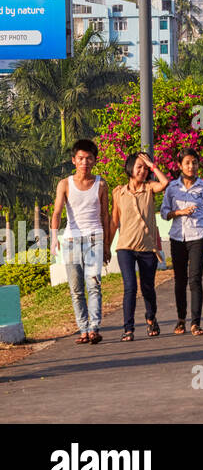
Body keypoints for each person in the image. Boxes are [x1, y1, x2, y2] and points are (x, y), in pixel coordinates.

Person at [49, 139, 111, 344]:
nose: (85, 162)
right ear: (74, 160)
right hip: (71, 241)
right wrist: (54, 238)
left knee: (94, 284)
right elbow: (57, 211)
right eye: (81, 158)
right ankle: (82, 329)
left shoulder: (101, 184)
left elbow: (105, 216)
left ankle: (94, 328)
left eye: (89, 158)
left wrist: (107, 245)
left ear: (94, 160)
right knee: (76, 289)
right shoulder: (64, 184)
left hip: (95, 237)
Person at [160, 148, 203, 336]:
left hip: (198, 236)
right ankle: (181, 319)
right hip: (177, 237)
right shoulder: (172, 188)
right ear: (180, 165)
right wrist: (179, 212)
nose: (191, 166)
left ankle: (196, 322)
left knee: (195, 279)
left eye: (194, 162)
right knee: (180, 280)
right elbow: (165, 212)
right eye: (187, 163)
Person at [107, 151, 169, 341]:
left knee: (148, 287)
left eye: (144, 168)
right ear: (130, 168)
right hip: (125, 247)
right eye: (138, 167)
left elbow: (165, 183)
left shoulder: (149, 188)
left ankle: (151, 318)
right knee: (130, 287)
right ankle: (128, 329)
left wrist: (153, 166)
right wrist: (106, 248)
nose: (142, 171)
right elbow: (114, 221)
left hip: (147, 248)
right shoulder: (118, 192)